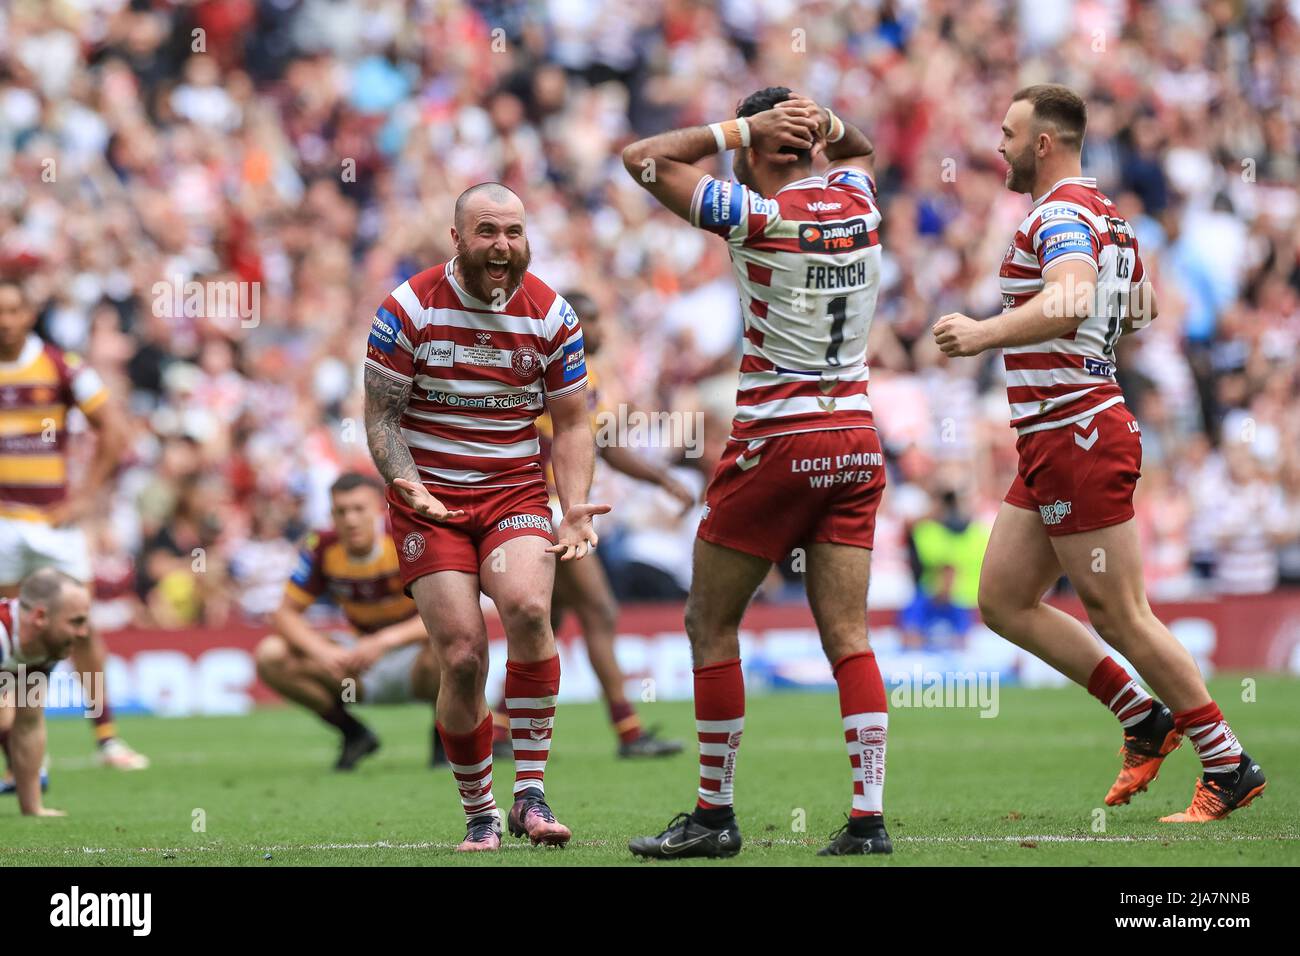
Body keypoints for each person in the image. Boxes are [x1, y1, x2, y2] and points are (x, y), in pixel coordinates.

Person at [933, 84, 1266, 822]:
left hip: (1076, 430)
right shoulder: (1109, 216)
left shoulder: (1057, 214)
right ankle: (1144, 719)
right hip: (1061, 429)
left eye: (1008, 133)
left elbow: (1073, 298)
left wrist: (984, 333)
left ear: (1043, 143)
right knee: (1005, 600)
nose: (1000, 146)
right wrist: (1086, 348)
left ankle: (1229, 763)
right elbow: (1142, 305)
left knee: (1122, 615)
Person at [621, 88, 893, 858]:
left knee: (710, 622)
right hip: (856, 441)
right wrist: (826, 125)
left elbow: (642, 160)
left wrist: (738, 127)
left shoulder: (756, 214)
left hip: (777, 442)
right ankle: (868, 821)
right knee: (848, 635)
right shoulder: (858, 203)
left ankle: (713, 815)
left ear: (750, 154)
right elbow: (862, 151)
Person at [363, 182, 607, 852]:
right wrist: (405, 482)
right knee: (464, 655)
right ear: (457, 240)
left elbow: (573, 423)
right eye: (488, 233)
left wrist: (574, 506)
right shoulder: (407, 309)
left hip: (512, 495)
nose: (503, 246)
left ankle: (530, 792)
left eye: (514, 233)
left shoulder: (553, 315)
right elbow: (381, 420)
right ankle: (480, 812)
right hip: (430, 503)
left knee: (529, 609)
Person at [491, 290, 687, 759]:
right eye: (591, 321)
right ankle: (629, 732)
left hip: (553, 505)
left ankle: (496, 731)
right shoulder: (546, 368)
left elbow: (605, 444)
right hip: (541, 504)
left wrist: (661, 478)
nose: (599, 331)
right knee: (599, 610)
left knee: (548, 621)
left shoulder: (584, 373)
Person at [0, 279, 147, 793]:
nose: (5, 320)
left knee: (80, 628)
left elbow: (113, 427)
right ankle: (19, 757)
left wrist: (83, 497)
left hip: (52, 523)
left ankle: (107, 738)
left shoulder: (63, 365)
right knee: (5, 637)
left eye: (13, 310)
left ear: (28, 313)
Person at [255, 472, 441, 770]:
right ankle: (354, 733)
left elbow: (448, 613)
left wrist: (383, 641)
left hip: (416, 660)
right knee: (271, 655)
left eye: (359, 509)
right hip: (358, 664)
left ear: (380, 510)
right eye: (341, 511)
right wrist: (324, 653)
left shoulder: (408, 538)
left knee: (456, 643)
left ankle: (445, 740)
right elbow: (284, 613)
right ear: (331, 514)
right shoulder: (322, 547)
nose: (350, 520)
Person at [0, 567, 93, 817]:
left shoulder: (44, 649)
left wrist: (33, 809)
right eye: (76, 621)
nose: (84, 633)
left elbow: (28, 724)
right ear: (40, 617)